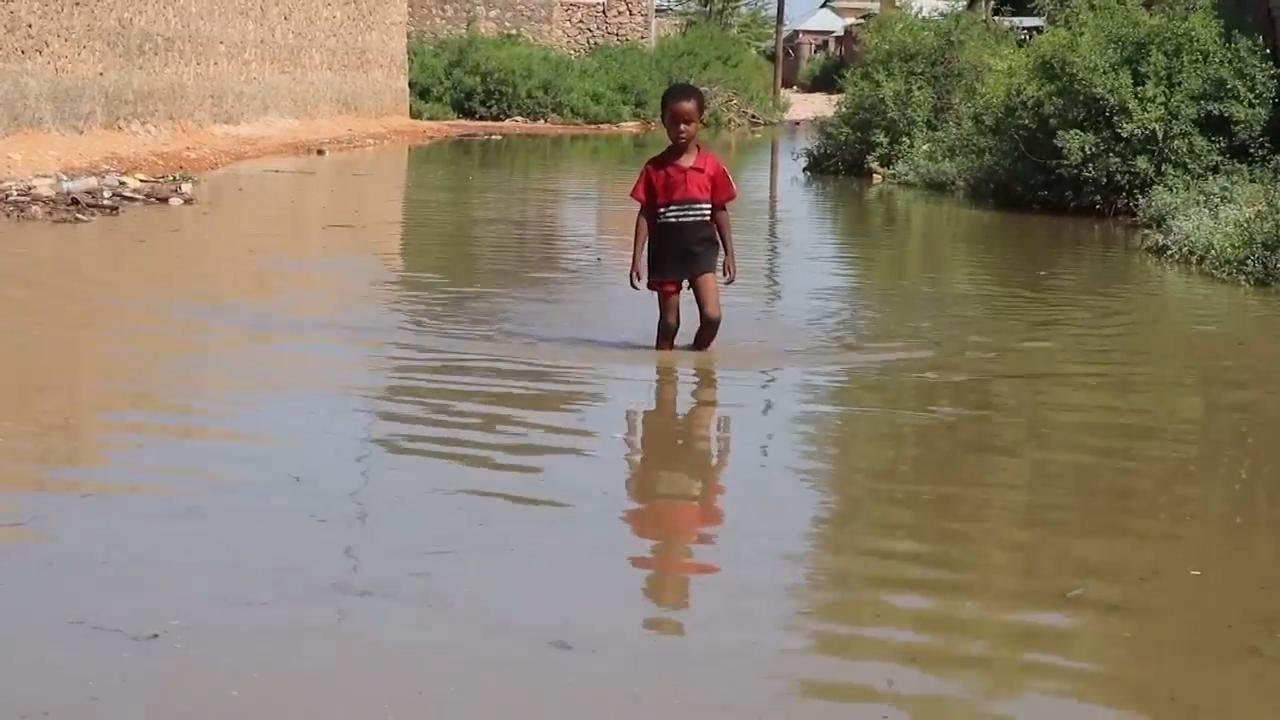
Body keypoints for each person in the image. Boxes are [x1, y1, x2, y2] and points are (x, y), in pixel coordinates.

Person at [629, 83, 739, 351]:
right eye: (674, 122)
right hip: (666, 252)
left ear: (700, 122)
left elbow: (720, 211)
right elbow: (645, 213)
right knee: (669, 323)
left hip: (702, 251)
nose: (681, 129)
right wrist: (636, 259)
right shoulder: (655, 169)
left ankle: (698, 358)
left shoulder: (712, 167)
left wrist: (730, 253)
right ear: (663, 122)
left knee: (712, 316)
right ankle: (664, 375)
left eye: (688, 122)